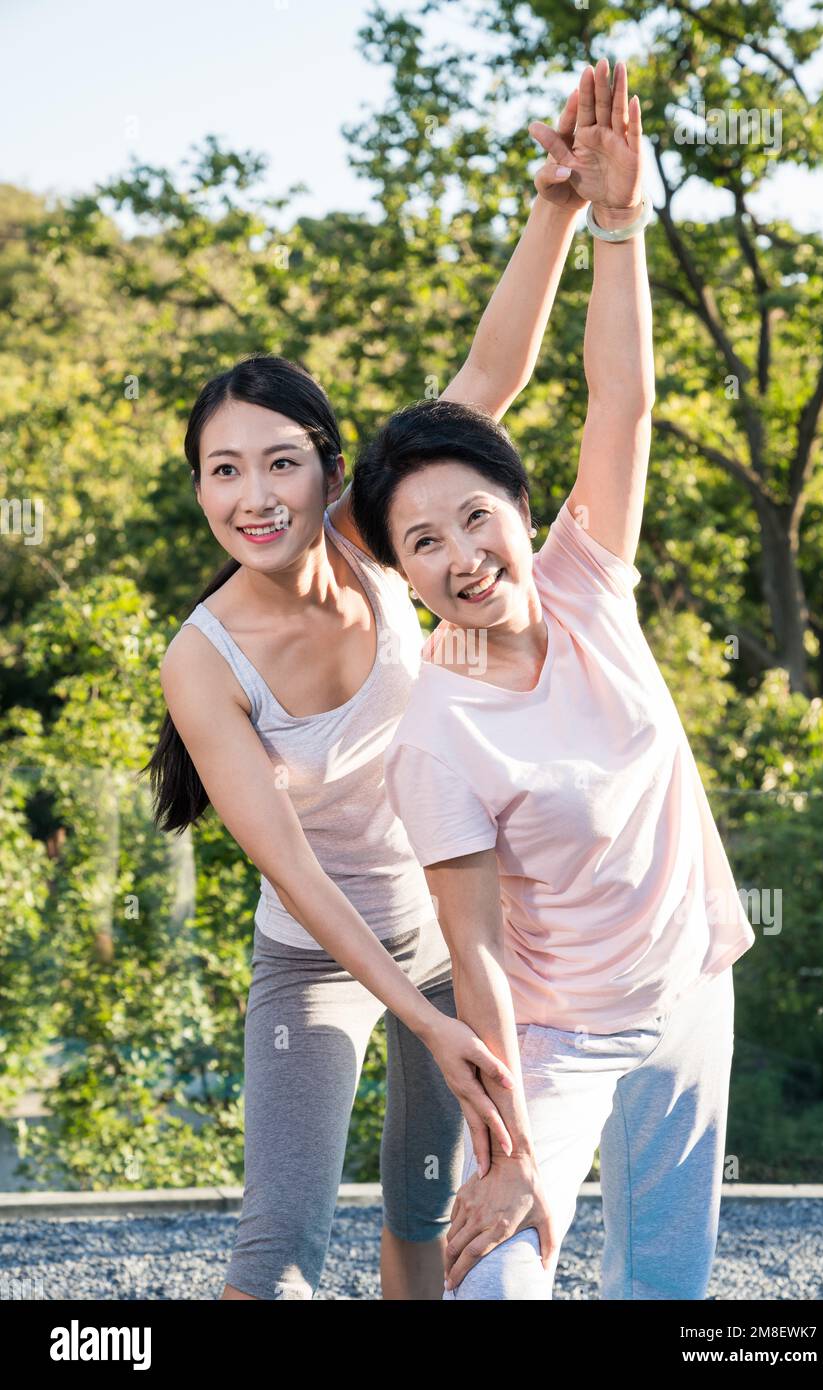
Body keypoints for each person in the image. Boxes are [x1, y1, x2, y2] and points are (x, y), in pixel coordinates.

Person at [146, 90, 592, 1301]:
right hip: (316, 957)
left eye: (280, 461)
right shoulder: (202, 660)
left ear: (329, 470)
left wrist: (554, 209)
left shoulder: (361, 538)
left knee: (419, 1213)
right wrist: (419, 1019)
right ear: (199, 488)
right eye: (222, 470)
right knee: (275, 1251)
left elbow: (487, 378)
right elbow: (294, 871)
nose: (253, 494)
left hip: (450, 929)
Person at [349, 58, 755, 1300]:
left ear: (524, 511)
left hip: (689, 987)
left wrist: (618, 221)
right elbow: (476, 961)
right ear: (404, 577)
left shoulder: (587, 577)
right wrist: (515, 1149)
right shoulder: (435, 732)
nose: (463, 557)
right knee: (497, 1276)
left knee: (667, 1292)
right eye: (423, 544)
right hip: (557, 1032)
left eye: (477, 519)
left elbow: (619, 404)